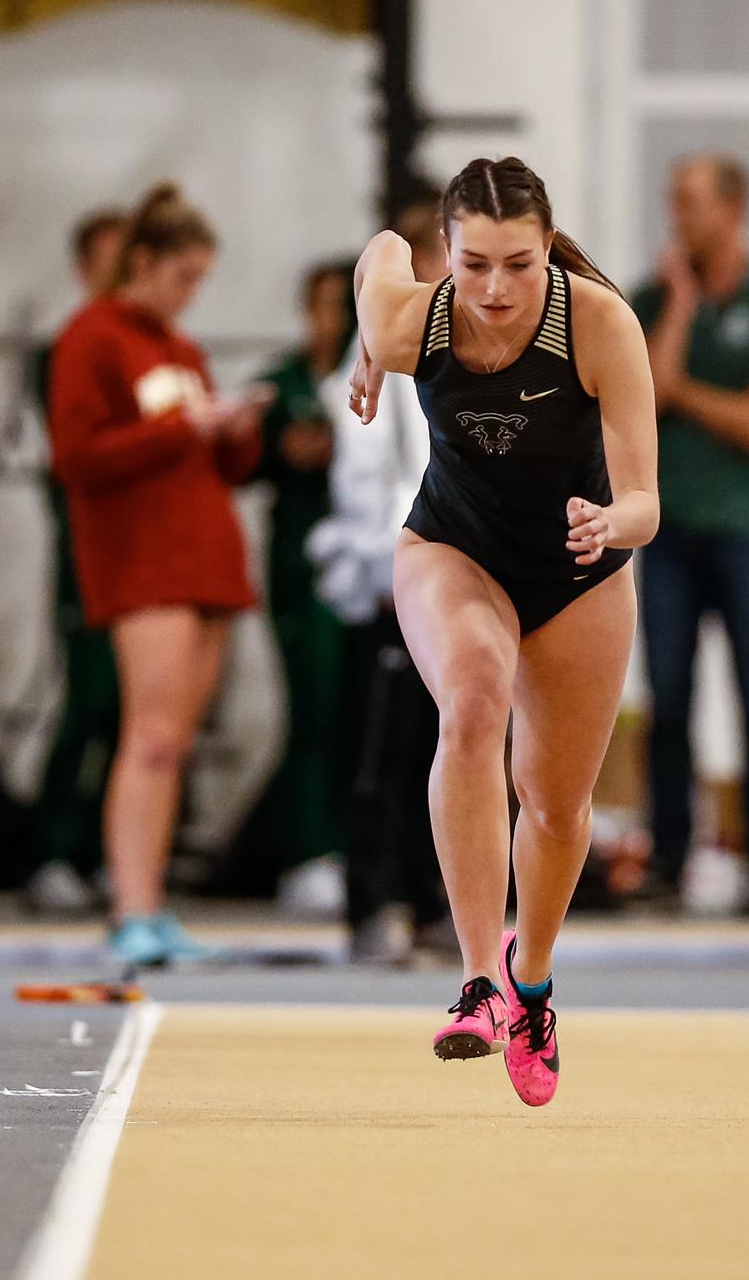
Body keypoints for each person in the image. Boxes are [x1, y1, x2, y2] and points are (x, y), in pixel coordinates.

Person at [350, 156, 658, 1106]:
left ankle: (532, 980)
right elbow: (379, 253)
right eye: (474, 263)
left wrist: (613, 523)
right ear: (448, 253)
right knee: (473, 701)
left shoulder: (598, 322)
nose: (494, 289)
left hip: (578, 567)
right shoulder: (416, 320)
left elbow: (646, 496)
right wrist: (371, 344)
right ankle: (480, 979)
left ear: (547, 250)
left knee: (558, 806)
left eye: (518, 266)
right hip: (455, 548)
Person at [46, 181, 266, 970]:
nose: (191, 293)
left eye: (200, 279)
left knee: (174, 742)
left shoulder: (181, 348)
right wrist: (181, 427)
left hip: (203, 554)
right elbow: (76, 457)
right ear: (142, 263)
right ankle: (129, 906)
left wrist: (236, 429)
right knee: (148, 736)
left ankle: (150, 899)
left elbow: (219, 463)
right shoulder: (92, 336)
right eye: (183, 276)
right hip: (142, 561)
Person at [630, 153, 749, 916]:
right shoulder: (648, 297)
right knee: (667, 700)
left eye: (693, 202)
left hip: (746, 535)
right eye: (674, 201)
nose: (680, 216)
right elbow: (644, 392)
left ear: (735, 208)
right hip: (667, 531)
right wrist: (676, 306)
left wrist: (687, 396)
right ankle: (670, 855)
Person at [308, 190, 451, 965]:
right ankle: (373, 902)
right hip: (390, 592)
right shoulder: (369, 371)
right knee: (379, 755)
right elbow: (366, 497)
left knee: (453, 747)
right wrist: (398, 568)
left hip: (458, 591)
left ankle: (437, 903)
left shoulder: (470, 355)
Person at [25, 207, 127, 916]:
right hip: (87, 552)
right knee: (86, 700)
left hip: (138, 554)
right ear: (84, 267)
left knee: (130, 709)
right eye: (110, 259)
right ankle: (51, 850)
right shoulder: (67, 348)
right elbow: (80, 452)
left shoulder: (147, 347)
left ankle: (101, 851)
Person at [252, 259, 352, 914]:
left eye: (337, 306)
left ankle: (351, 845)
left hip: (367, 569)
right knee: (311, 705)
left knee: (357, 708)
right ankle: (306, 850)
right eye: (316, 305)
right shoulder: (281, 382)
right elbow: (246, 453)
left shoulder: (379, 378)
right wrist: (279, 446)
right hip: (301, 566)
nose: (327, 321)